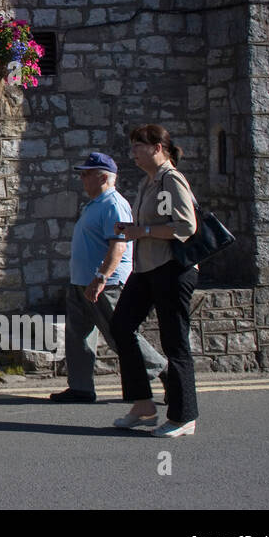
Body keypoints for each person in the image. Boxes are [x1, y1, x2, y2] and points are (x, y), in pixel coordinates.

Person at [49, 152, 167, 403]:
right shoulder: (95, 204)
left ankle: (164, 371)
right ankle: (81, 388)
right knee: (78, 336)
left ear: (103, 177)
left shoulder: (114, 204)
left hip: (105, 285)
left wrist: (101, 277)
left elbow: (119, 246)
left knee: (120, 336)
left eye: (86, 174)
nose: (82, 179)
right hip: (81, 282)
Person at [110, 124, 200, 437]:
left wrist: (143, 232)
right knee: (120, 325)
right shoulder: (149, 182)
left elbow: (186, 226)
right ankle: (143, 406)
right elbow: (154, 221)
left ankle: (183, 416)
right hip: (147, 267)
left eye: (138, 146)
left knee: (175, 341)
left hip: (172, 268)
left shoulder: (170, 178)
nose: (132, 152)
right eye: (132, 146)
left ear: (158, 148)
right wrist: (132, 228)